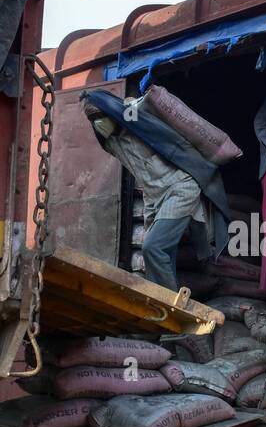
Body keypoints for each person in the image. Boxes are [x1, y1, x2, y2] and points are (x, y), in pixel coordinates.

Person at [85, 102, 213, 292]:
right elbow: (101, 134)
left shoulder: (137, 126)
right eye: (93, 121)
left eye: (100, 118)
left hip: (180, 188)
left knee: (153, 247)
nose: (98, 123)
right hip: (154, 197)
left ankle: (171, 306)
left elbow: (153, 109)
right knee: (160, 254)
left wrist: (131, 107)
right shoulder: (112, 143)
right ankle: (158, 303)